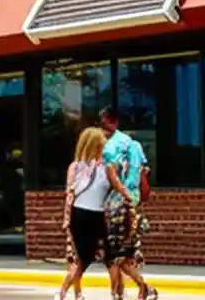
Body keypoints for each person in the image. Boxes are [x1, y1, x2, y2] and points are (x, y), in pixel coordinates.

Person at [98, 108, 157, 300]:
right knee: (124, 251)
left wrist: (121, 192)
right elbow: (144, 172)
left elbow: (111, 176)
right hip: (133, 204)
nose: (102, 129)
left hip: (117, 203)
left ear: (111, 123)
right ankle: (123, 292)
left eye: (103, 124)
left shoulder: (109, 147)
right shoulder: (135, 145)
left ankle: (132, 289)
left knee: (113, 253)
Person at [54, 127, 112, 300]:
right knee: (83, 258)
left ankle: (114, 292)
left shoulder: (103, 167)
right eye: (102, 145)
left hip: (96, 214)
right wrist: (66, 219)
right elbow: (70, 194)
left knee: (107, 256)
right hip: (82, 215)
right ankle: (64, 291)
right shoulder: (79, 167)